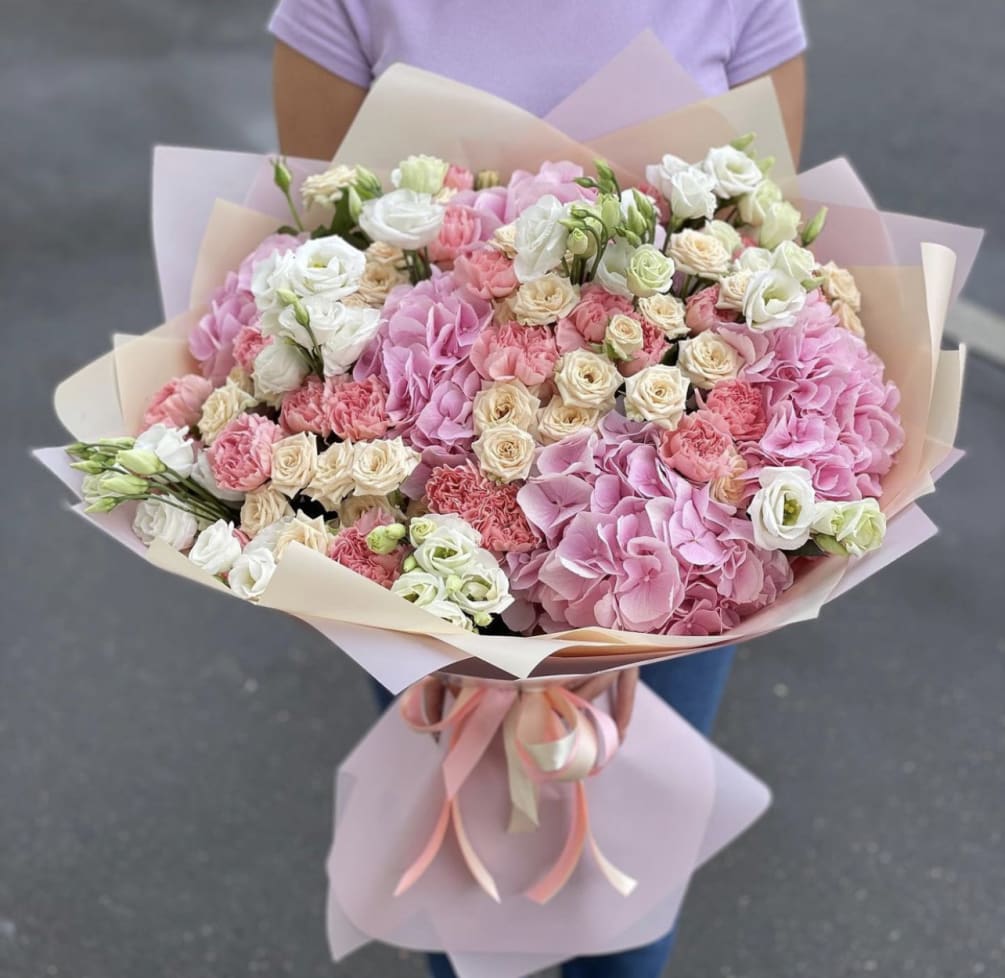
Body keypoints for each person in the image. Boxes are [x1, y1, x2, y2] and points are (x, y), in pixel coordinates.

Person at [269, 3, 807, 976]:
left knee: (626, 894)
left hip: (672, 539)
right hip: (419, 534)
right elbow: (313, 265)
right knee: (471, 888)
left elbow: (769, 275)